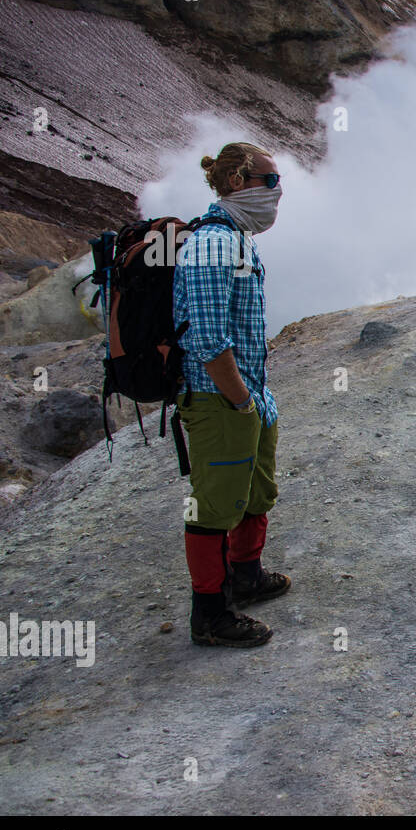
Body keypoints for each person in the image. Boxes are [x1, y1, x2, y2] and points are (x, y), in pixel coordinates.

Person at [174, 142, 290, 647]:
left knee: (255, 489)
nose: (277, 191)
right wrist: (240, 399)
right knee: (215, 505)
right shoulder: (213, 244)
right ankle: (211, 614)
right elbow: (205, 338)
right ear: (240, 181)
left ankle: (246, 575)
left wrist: (254, 401)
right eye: (270, 179)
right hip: (219, 399)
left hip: (247, 396)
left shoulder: (239, 239)